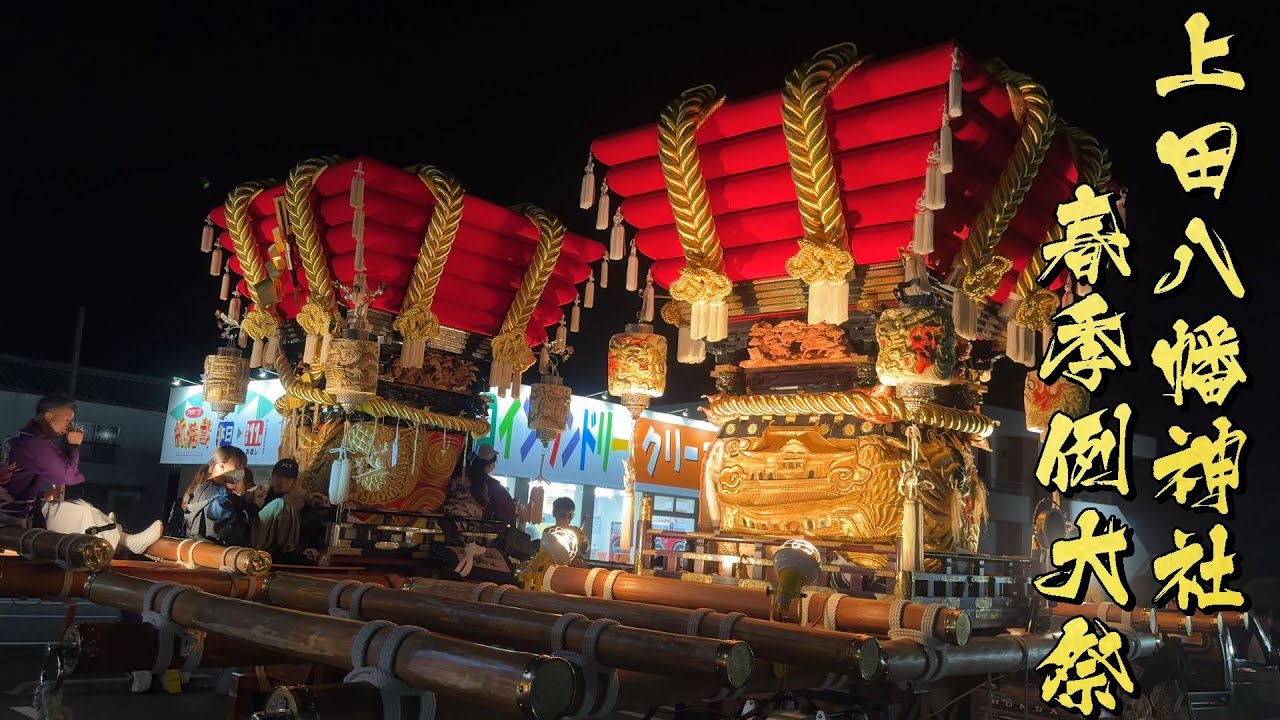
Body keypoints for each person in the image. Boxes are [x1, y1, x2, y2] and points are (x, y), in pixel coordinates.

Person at [1, 394, 163, 554]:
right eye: (67, 420)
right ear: (49, 416)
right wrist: (75, 446)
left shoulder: (18, 437)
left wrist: (41, 493)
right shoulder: (37, 443)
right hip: (12, 518)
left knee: (74, 508)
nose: (68, 426)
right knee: (81, 509)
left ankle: (124, 539)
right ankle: (127, 541)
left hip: (15, 510)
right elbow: (68, 477)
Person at [442, 443, 516, 526]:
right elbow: (507, 513)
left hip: (448, 526)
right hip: (476, 532)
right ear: (490, 465)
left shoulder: (457, 479)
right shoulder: (493, 486)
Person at [541, 497, 589, 567]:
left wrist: (584, 540)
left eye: (570, 516)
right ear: (554, 513)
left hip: (574, 569)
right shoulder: (548, 532)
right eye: (563, 515)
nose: (567, 519)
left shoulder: (575, 531)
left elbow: (585, 549)